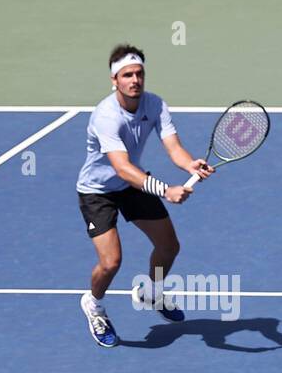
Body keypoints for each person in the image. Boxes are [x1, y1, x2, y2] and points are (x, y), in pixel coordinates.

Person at [74, 44, 214, 347]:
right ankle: (93, 304)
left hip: (131, 185)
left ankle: (151, 292)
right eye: (127, 75)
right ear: (114, 80)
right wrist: (165, 190)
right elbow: (122, 168)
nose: (135, 80)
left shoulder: (155, 105)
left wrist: (189, 162)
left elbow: (173, 147)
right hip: (98, 192)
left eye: (139, 74)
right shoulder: (106, 117)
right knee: (111, 262)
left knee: (168, 246)